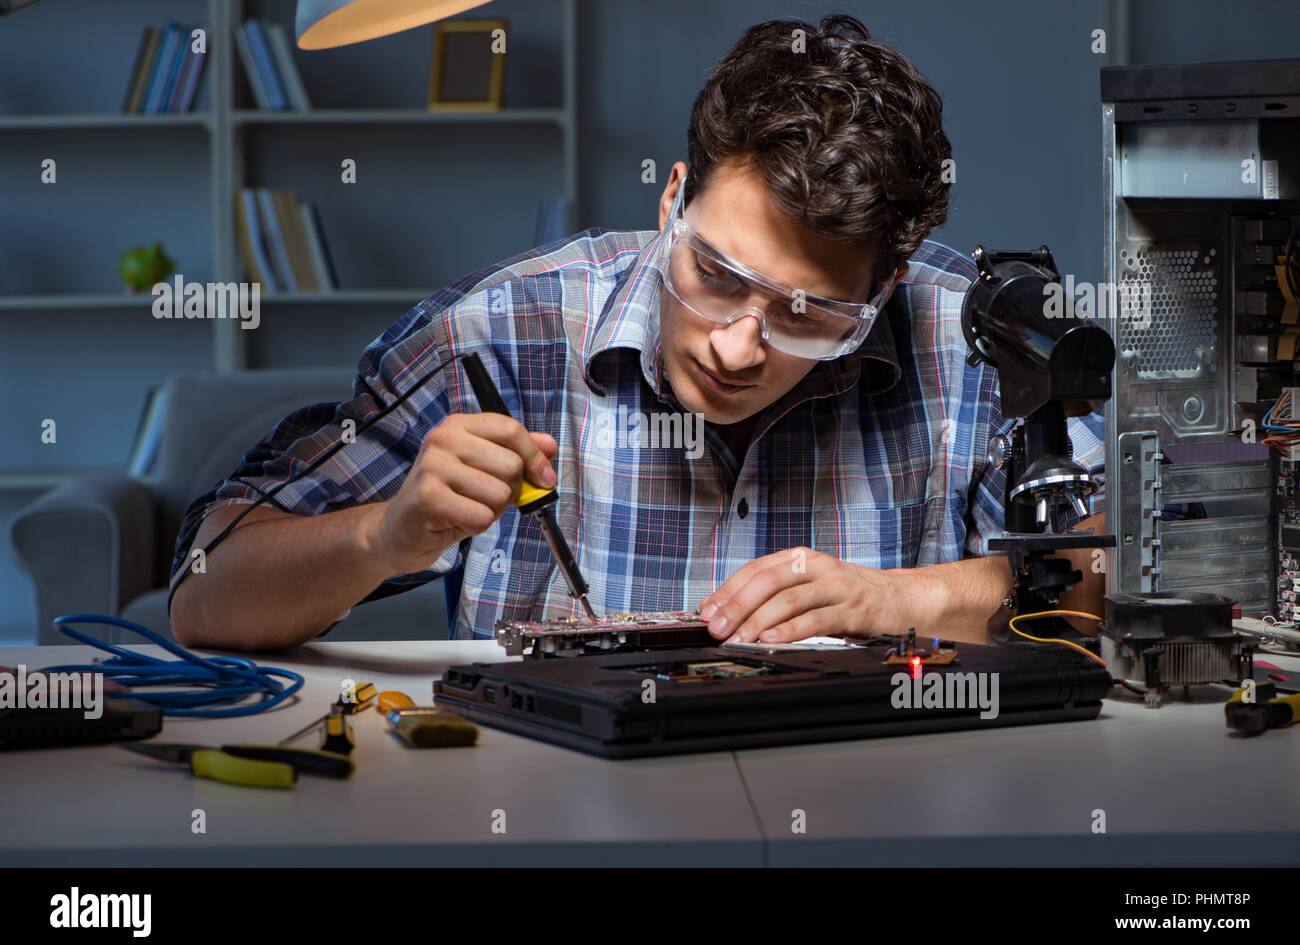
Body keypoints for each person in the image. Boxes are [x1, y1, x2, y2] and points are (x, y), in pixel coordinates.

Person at [169, 14, 1104, 652]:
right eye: (716, 276)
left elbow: (1123, 572)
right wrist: (384, 535)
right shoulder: (500, 331)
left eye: (809, 314)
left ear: (885, 287)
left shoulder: (962, 330)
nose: (739, 346)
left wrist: (899, 600)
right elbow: (206, 594)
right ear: (670, 204)